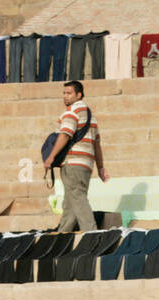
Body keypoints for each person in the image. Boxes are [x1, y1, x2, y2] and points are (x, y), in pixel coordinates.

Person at [43, 80, 109, 232]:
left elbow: (65, 135)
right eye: (64, 93)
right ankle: (63, 233)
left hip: (73, 162)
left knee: (77, 199)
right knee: (70, 203)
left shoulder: (72, 111)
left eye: (69, 93)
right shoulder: (91, 116)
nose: (65, 96)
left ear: (79, 95)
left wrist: (51, 157)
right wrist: (100, 167)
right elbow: (96, 144)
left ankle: (92, 233)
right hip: (86, 164)